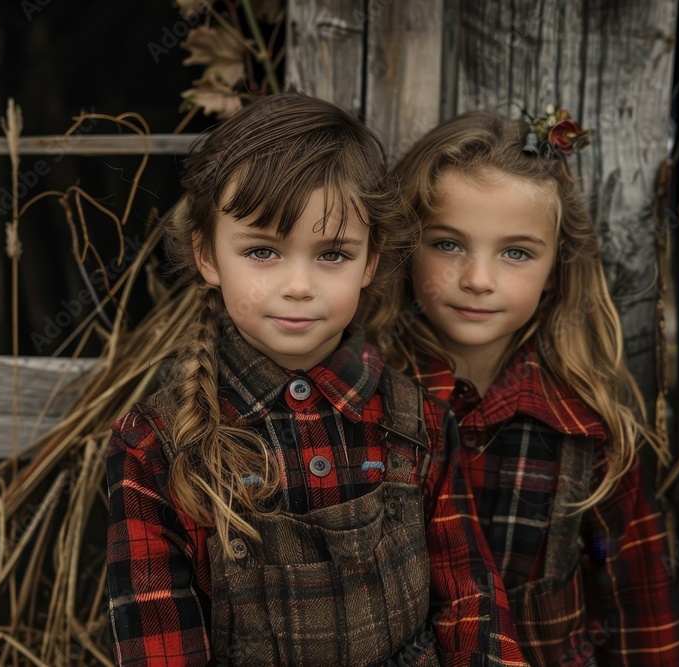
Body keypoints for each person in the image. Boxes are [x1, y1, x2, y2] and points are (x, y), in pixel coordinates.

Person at [105, 94, 528, 666]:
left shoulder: (417, 420)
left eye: (332, 255)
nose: (299, 286)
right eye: (262, 251)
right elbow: (159, 644)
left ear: (370, 259)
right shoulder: (155, 444)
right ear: (207, 256)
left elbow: (470, 601)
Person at [372, 108, 679, 667]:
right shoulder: (359, 402)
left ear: (557, 265)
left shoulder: (588, 433)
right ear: (404, 245)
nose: (478, 279)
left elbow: (640, 613)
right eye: (447, 244)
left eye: (516, 252)